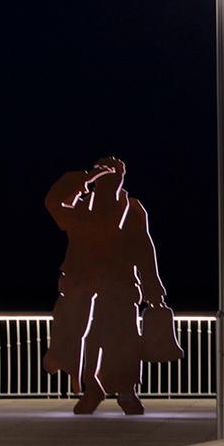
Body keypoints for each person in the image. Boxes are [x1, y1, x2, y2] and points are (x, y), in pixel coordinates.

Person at [44, 158, 167, 414]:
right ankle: (92, 390)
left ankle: (126, 392)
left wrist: (153, 289)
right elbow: (53, 202)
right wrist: (85, 178)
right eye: (105, 173)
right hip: (82, 288)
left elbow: (144, 249)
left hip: (120, 287)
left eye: (115, 174)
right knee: (86, 339)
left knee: (124, 340)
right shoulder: (80, 209)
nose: (110, 178)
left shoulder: (132, 209)